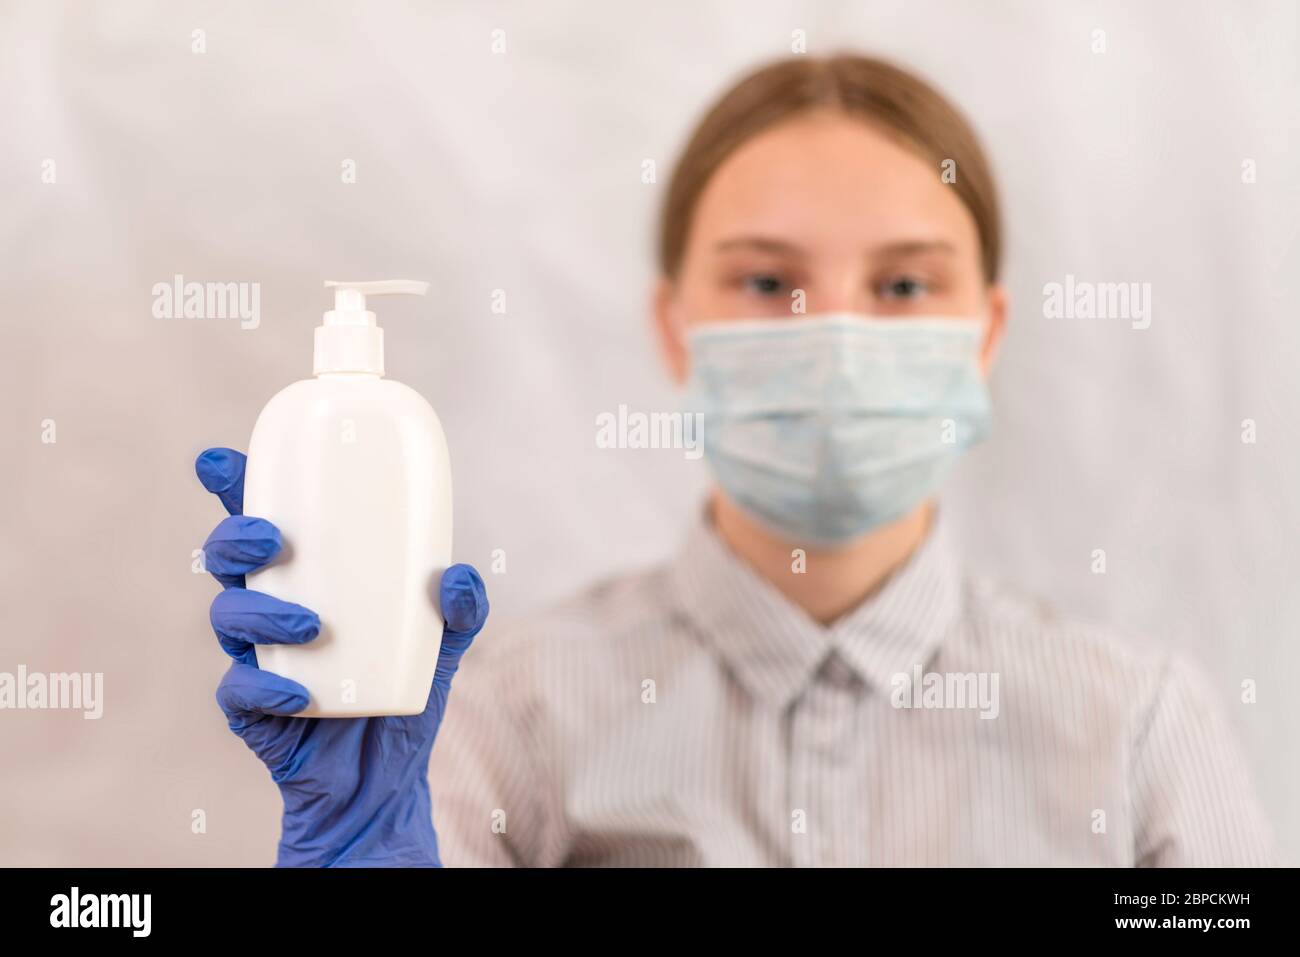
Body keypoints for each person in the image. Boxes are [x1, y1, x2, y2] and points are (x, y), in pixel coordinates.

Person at [195, 54, 1274, 867]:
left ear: (983, 335)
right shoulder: (508, 713)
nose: (835, 337)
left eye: (903, 286)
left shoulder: (1137, 730)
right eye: (768, 285)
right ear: (675, 327)